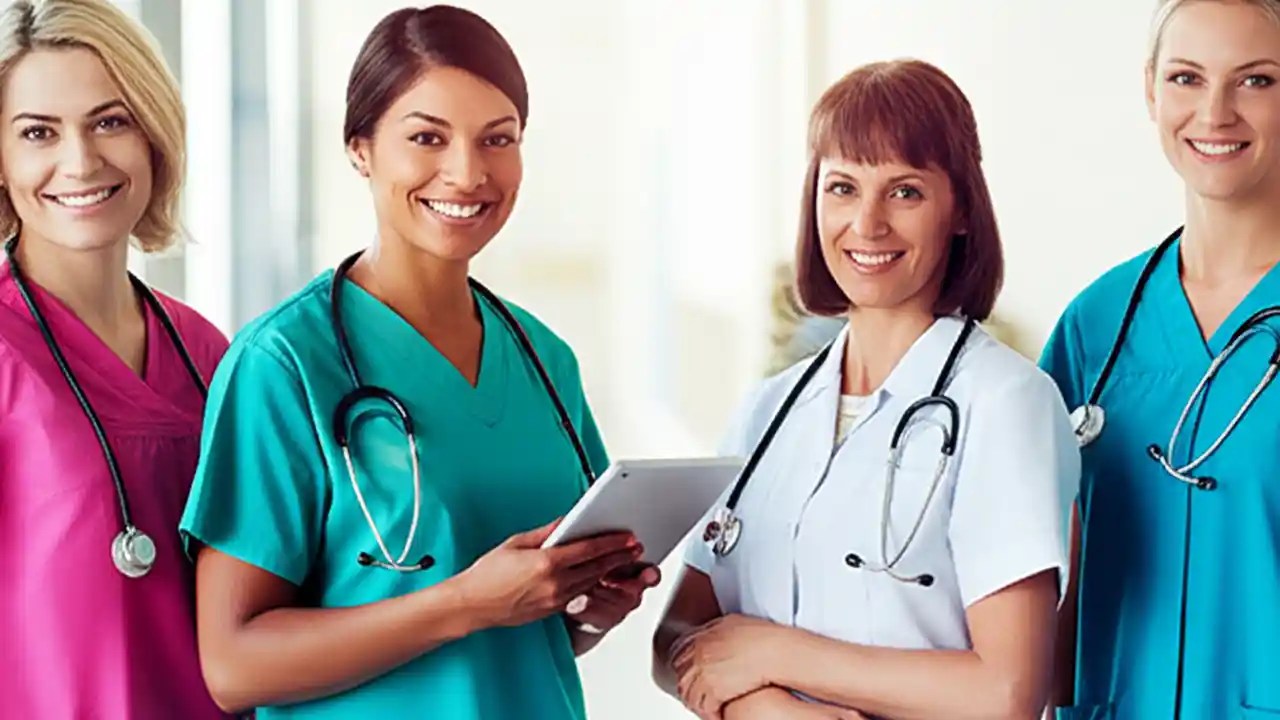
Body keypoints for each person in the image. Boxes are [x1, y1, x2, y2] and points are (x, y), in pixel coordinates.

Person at [179, 6, 659, 718]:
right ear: (360, 148)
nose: (467, 173)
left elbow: (525, 629)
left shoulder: (544, 359)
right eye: (427, 138)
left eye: (498, 140)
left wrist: (588, 609)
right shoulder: (284, 364)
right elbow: (234, 665)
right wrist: (463, 603)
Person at [652, 59, 1080, 720]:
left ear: (960, 208)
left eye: (905, 191)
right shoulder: (766, 413)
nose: (868, 224)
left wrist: (776, 653)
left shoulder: (1005, 403)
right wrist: (775, 713)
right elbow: (676, 643)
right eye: (843, 187)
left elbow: (1008, 692)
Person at [1042, 1, 1280, 717]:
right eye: (1185, 77)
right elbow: (1046, 579)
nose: (1215, 112)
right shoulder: (1097, 325)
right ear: (1149, 88)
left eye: (1257, 81)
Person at [0, 1, 231, 718]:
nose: (82, 162)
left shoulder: (209, 353)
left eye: (110, 121)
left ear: (154, 134)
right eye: (39, 133)